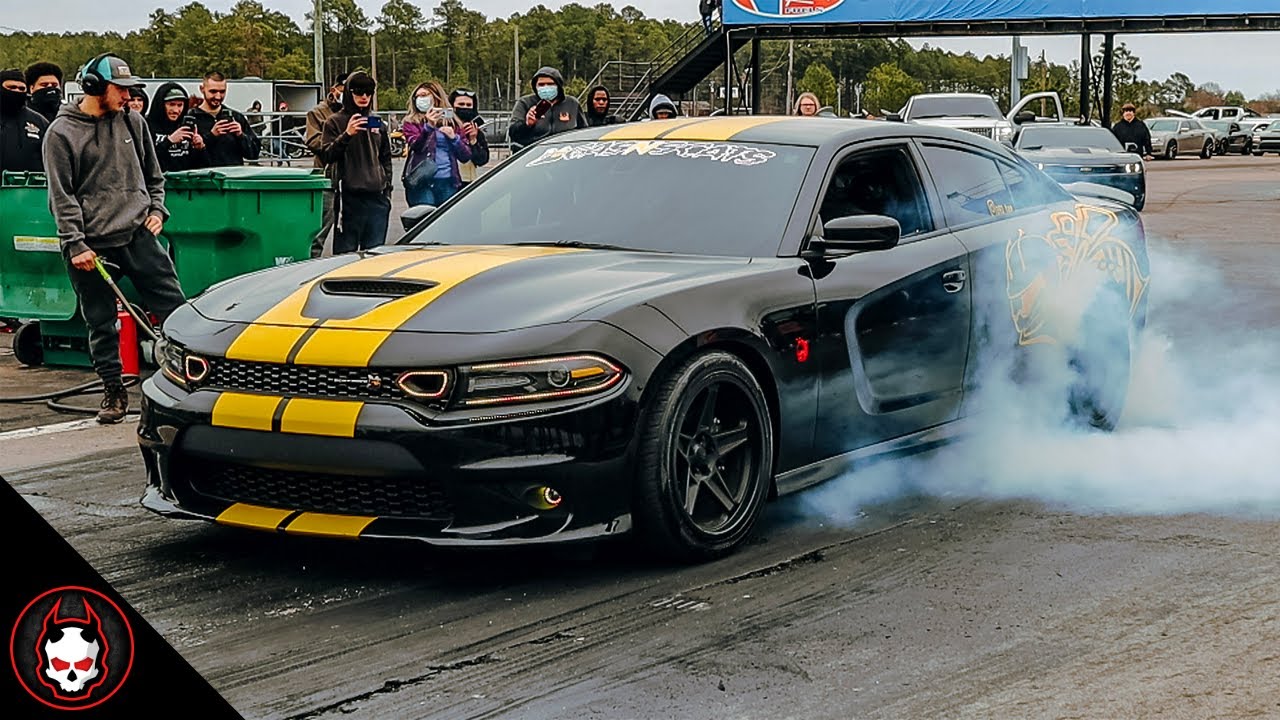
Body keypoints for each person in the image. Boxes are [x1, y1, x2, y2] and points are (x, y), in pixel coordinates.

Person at [43, 54, 185, 424]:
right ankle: (113, 391)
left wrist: (157, 211)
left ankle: (186, 383)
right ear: (93, 87)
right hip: (90, 245)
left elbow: (155, 176)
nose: (127, 96)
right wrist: (75, 244)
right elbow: (62, 197)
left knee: (176, 310)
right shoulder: (60, 134)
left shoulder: (133, 121)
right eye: (120, 89)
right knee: (101, 322)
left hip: (137, 234)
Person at [319, 70, 392, 254]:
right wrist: (347, 134)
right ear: (349, 93)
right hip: (349, 197)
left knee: (375, 255)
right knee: (346, 255)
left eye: (368, 92)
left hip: (377, 197)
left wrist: (387, 189)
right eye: (359, 92)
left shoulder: (377, 123)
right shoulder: (334, 122)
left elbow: (385, 158)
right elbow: (327, 155)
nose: (364, 97)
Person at [400, 82, 471, 208]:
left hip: (448, 182)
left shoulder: (453, 122)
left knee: (446, 221)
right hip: (422, 181)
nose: (421, 99)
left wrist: (455, 139)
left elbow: (465, 156)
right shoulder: (410, 122)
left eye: (425, 95)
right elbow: (416, 147)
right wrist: (428, 127)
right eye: (418, 97)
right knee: (425, 219)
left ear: (436, 96)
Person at [306, 72, 347, 257]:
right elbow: (314, 142)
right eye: (345, 90)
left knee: (346, 230)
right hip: (327, 176)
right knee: (320, 228)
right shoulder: (317, 112)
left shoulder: (356, 111)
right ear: (335, 90)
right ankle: (309, 264)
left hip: (352, 178)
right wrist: (342, 137)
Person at [186, 71, 259, 166]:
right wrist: (211, 136)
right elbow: (184, 157)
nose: (218, 96)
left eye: (222, 92)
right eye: (213, 91)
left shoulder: (236, 117)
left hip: (231, 177)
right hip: (203, 177)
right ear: (202, 89)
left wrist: (241, 136)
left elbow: (254, 154)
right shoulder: (191, 118)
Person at [507, 67, 586, 150]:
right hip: (533, 153)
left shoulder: (572, 103)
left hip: (565, 152)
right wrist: (527, 125)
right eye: (541, 85)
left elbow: (584, 132)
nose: (546, 87)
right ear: (535, 86)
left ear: (558, 86)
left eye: (550, 84)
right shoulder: (525, 103)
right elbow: (513, 133)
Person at [146, 81, 207, 172]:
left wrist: (200, 148)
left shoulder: (188, 125)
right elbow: (145, 160)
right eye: (171, 104)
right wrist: (169, 141)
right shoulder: (147, 125)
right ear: (161, 104)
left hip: (185, 182)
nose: (176, 110)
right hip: (159, 182)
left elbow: (201, 166)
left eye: (180, 105)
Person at [0, 68, 50, 173]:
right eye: (11, 87)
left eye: (21, 89)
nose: (17, 91)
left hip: (30, 187)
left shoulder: (39, 122)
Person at [449, 87, 489, 187]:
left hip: (468, 181)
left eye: (469, 105)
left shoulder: (475, 129)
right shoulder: (445, 126)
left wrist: (473, 140)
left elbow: (483, 159)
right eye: (461, 104)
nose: (465, 107)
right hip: (448, 180)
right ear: (452, 106)